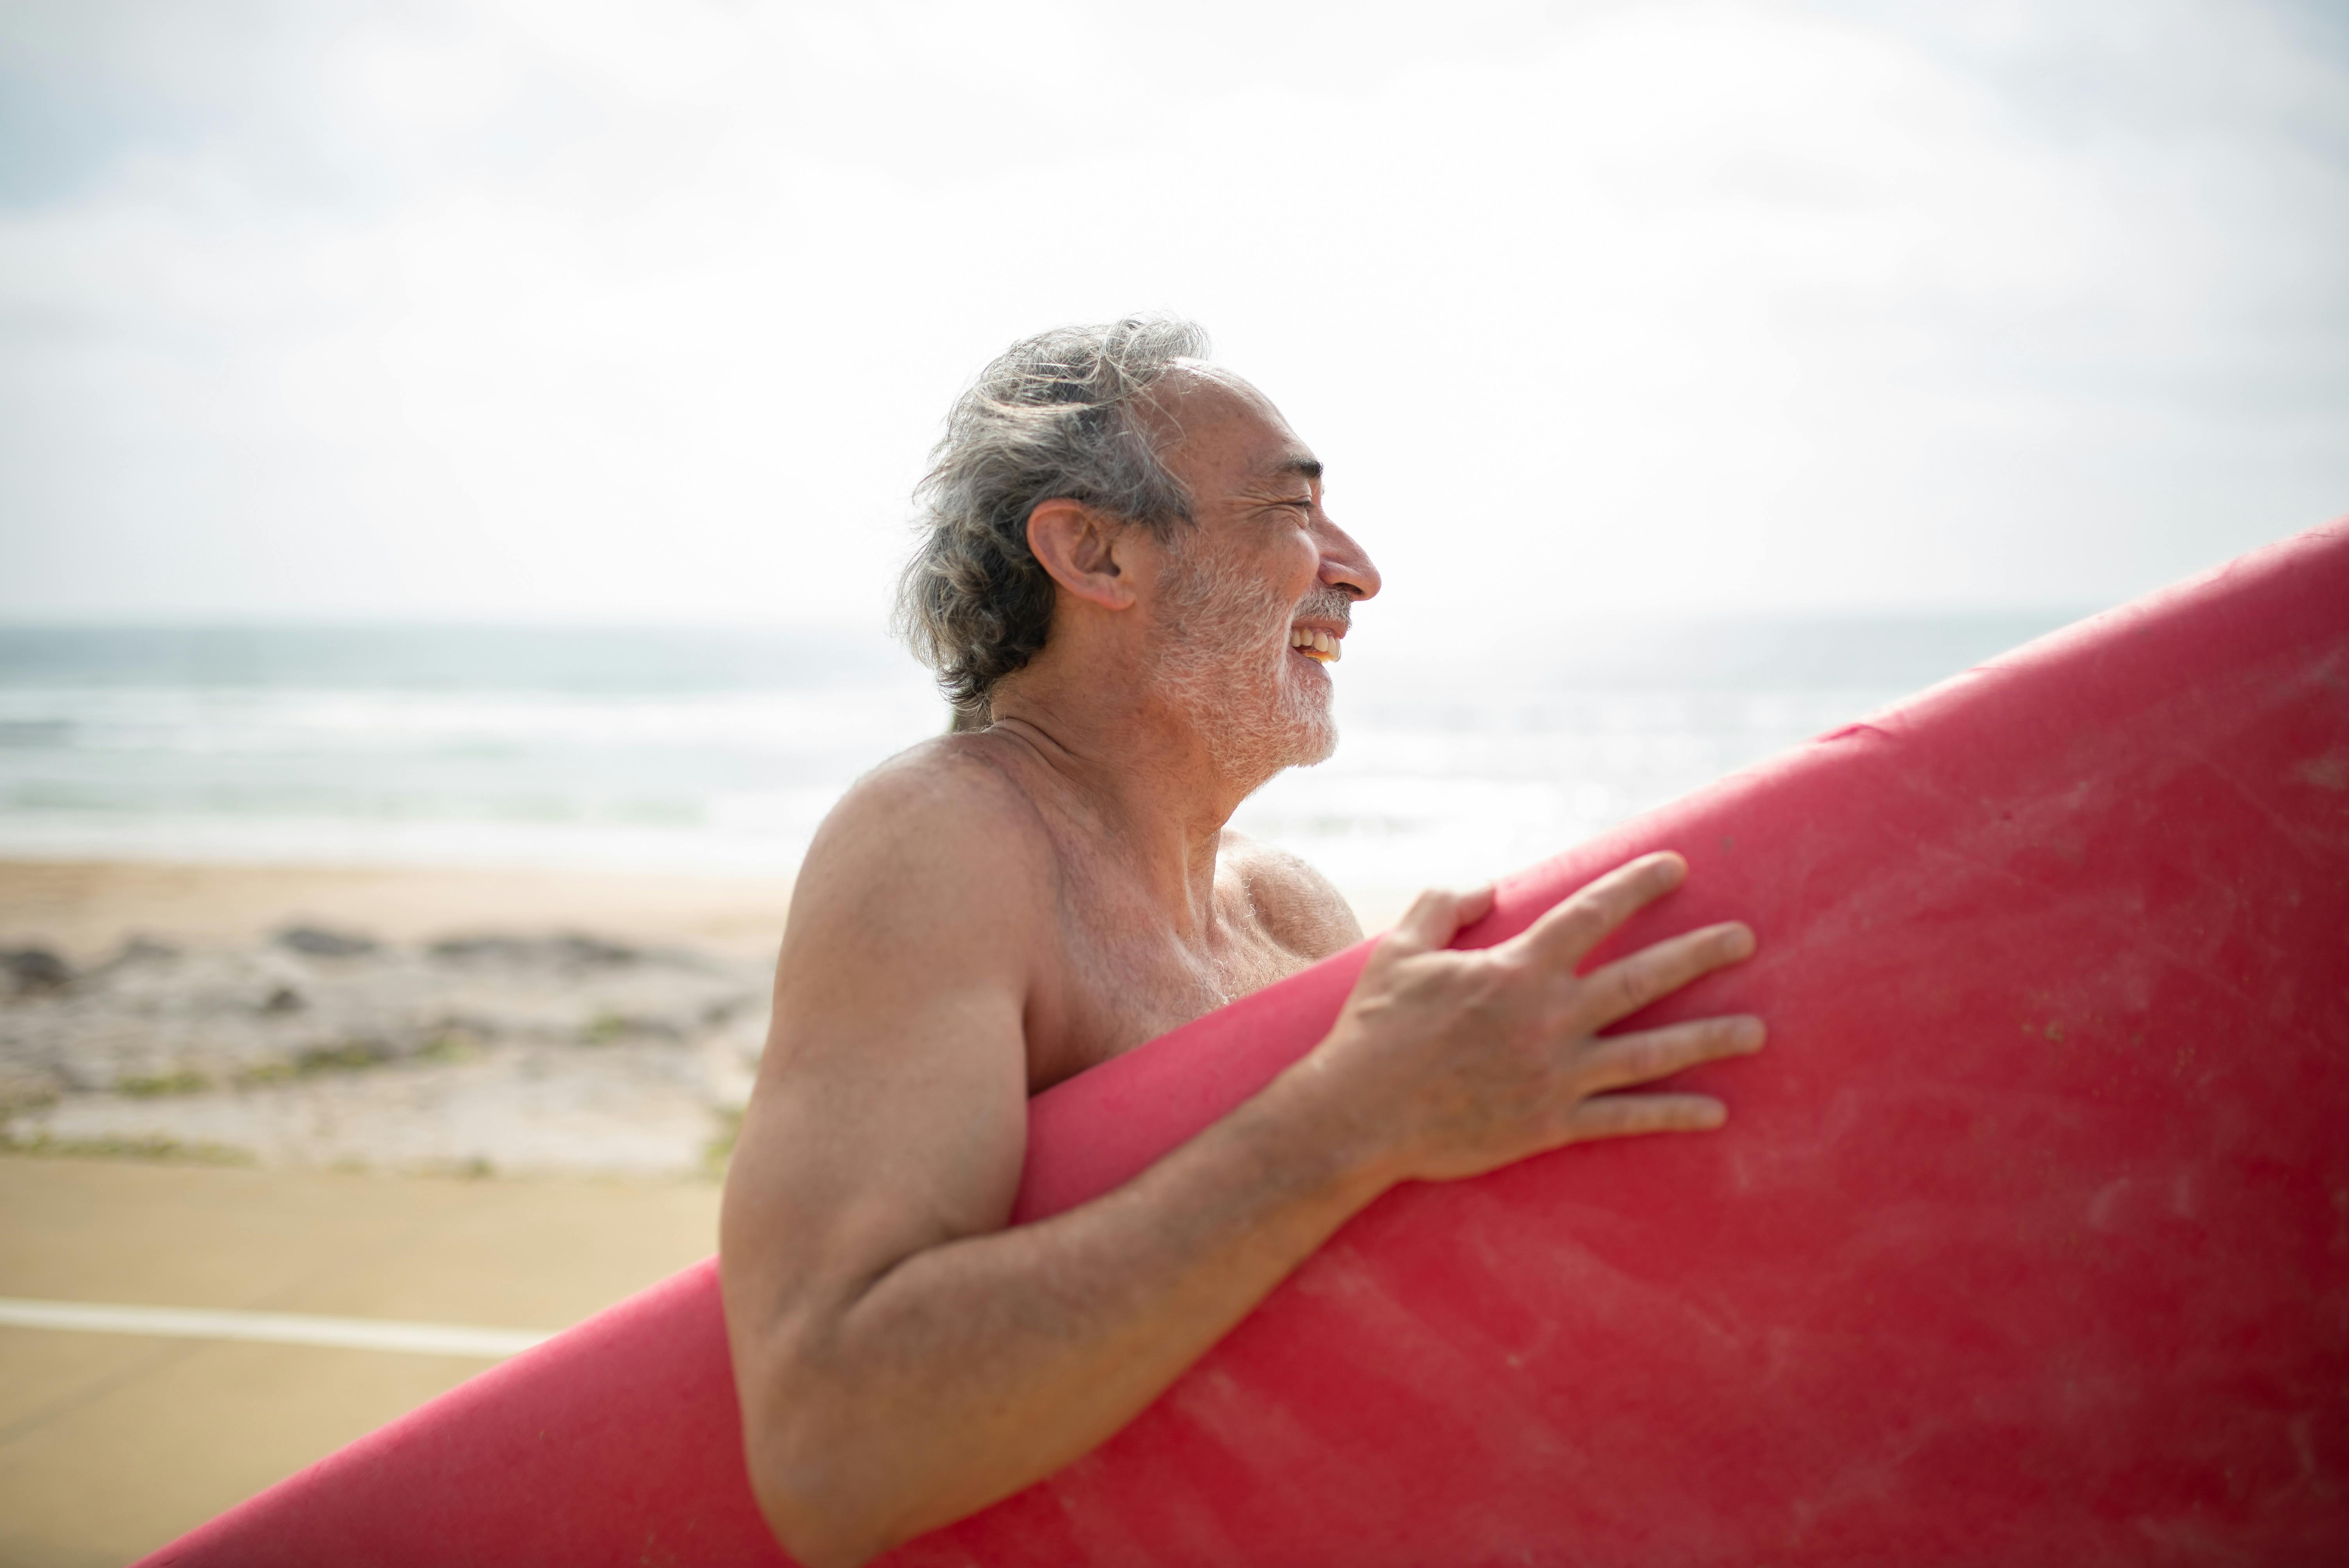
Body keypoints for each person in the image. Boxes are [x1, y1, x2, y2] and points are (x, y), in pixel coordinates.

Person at [718, 317, 1765, 1568]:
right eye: (1293, 512)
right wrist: (1348, 1118)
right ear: (1094, 551)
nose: (1360, 572)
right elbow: (833, 1449)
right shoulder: (947, 838)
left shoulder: (1293, 917)